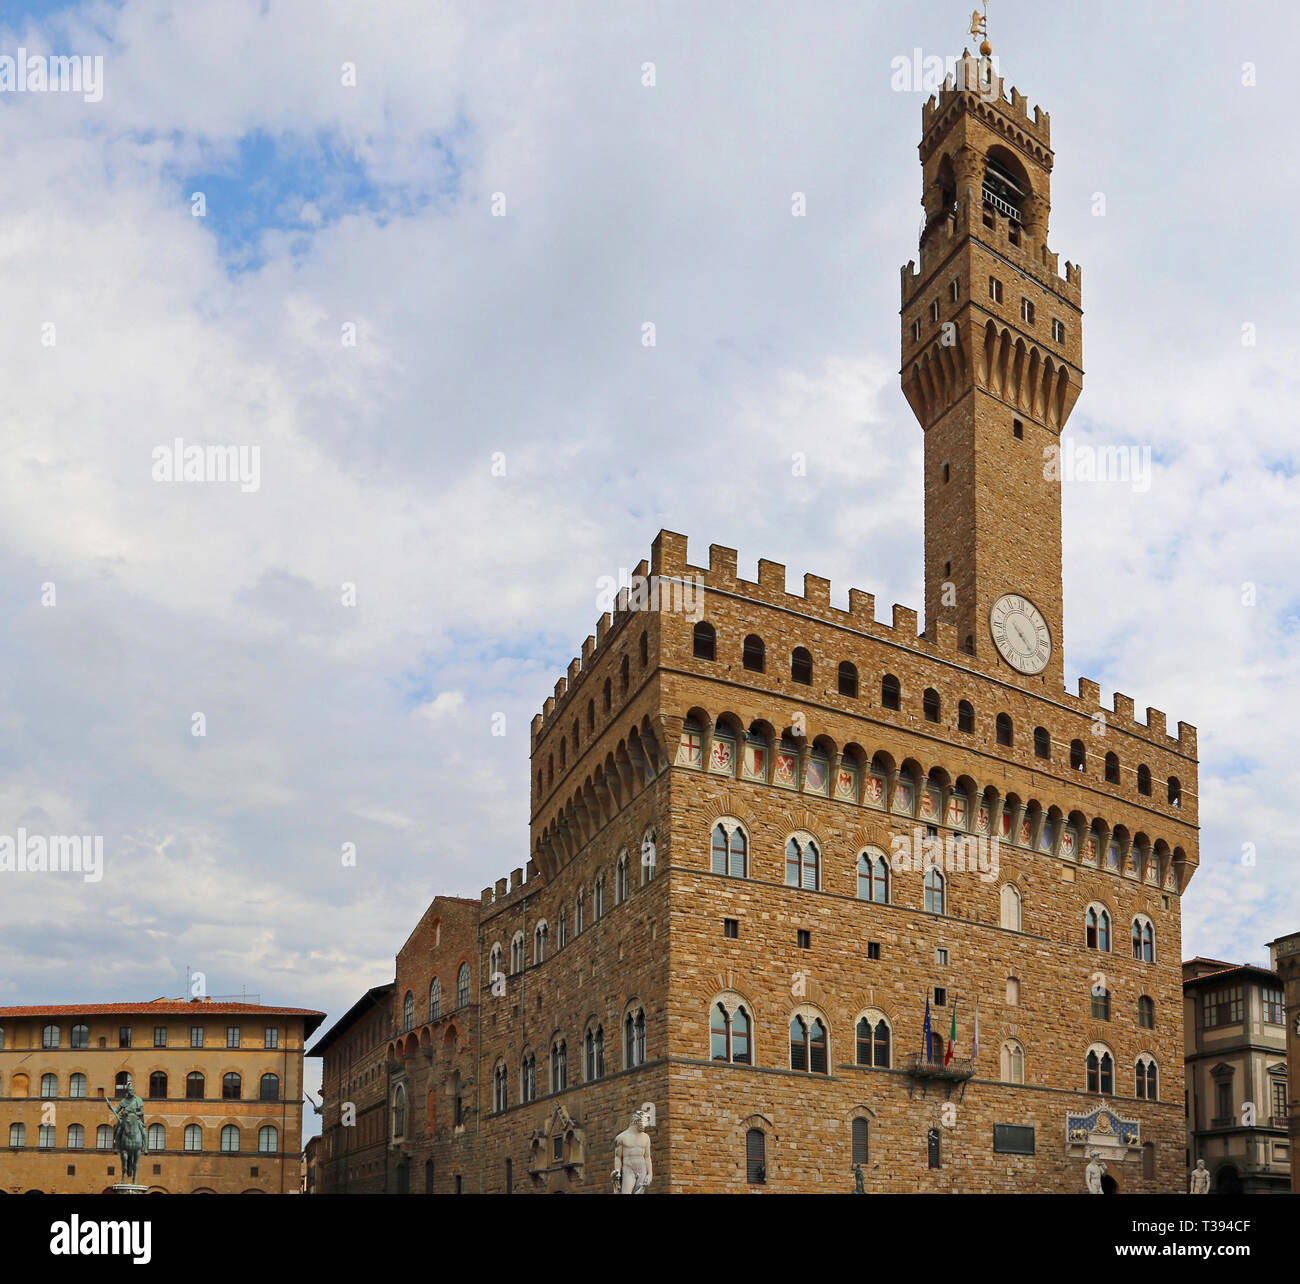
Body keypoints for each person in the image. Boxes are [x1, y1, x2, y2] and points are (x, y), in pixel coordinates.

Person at [611, 1107, 652, 1193]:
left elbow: (647, 1157)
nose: (646, 1125)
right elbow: (618, 1157)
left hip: (642, 1168)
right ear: (637, 1121)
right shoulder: (621, 1137)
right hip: (628, 1168)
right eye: (644, 1122)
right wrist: (617, 1170)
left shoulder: (646, 1137)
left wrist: (650, 1174)